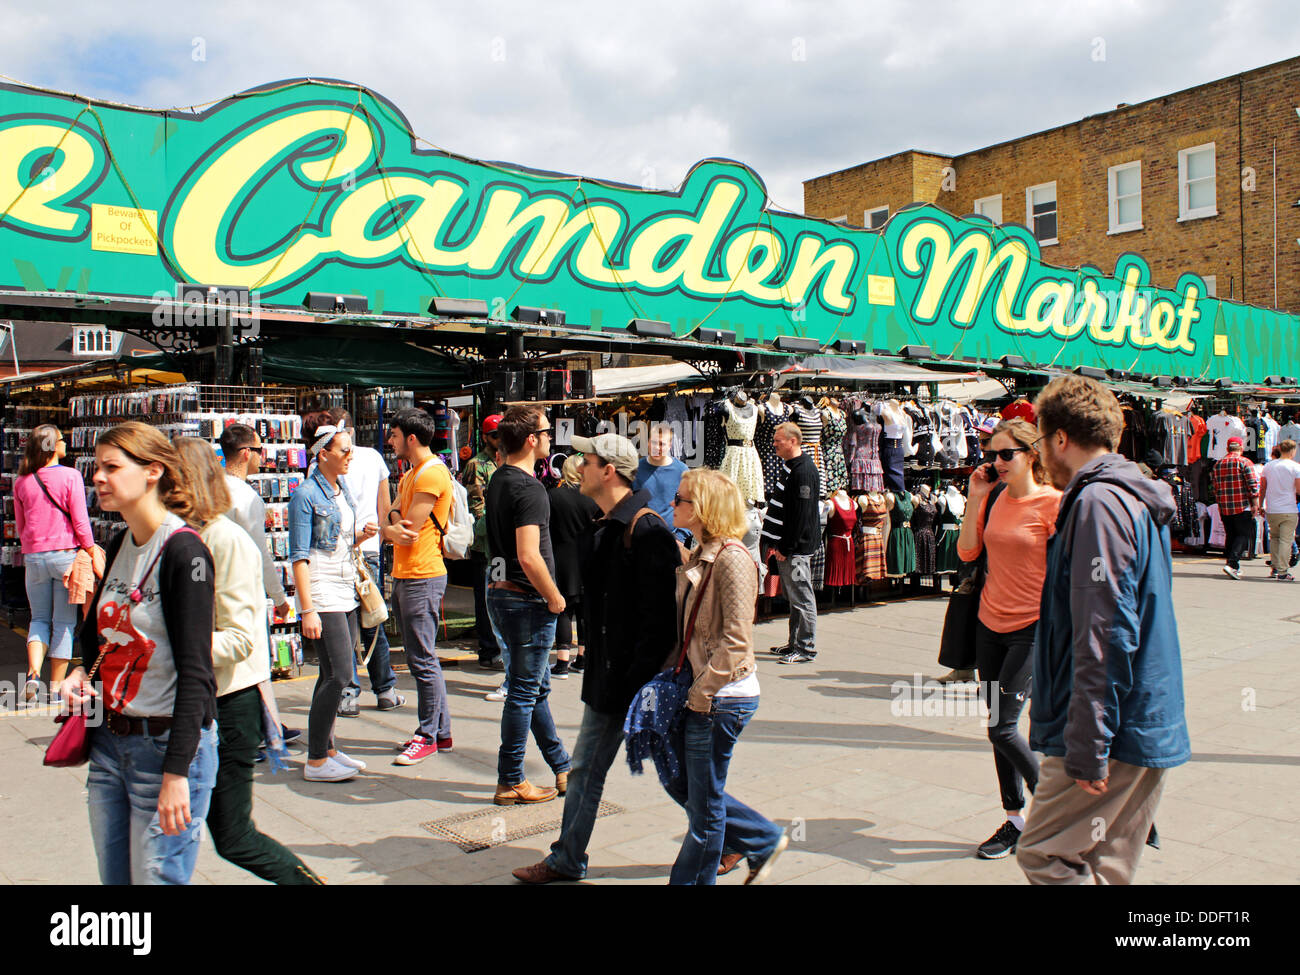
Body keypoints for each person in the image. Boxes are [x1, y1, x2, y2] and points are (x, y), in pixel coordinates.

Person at [1018, 376, 1190, 885]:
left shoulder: (1098, 503)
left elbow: (1105, 629)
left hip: (1112, 727)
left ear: (1061, 438)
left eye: (1041, 441)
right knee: (1105, 867)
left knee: (1046, 857)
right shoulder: (1133, 495)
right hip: (1142, 718)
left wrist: (1089, 743)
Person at [511, 433, 680, 883]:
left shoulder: (645, 529)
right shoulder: (604, 524)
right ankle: (568, 858)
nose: (578, 466)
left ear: (608, 470)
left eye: (586, 460)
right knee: (646, 772)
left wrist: (633, 683)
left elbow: (659, 623)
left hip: (632, 682)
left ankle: (744, 836)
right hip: (611, 678)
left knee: (676, 774)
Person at [60, 422, 218, 884]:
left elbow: (197, 673)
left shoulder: (184, 552)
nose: (98, 477)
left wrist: (176, 775)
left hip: (167, 748)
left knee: (155, 880)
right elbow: (95, 633)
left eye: (112, 467)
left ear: (153, 471)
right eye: (97, 467)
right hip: (110, 743)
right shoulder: (119, 543)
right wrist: (77, 671)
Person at [173, 438, 323, 885]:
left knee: (231, 833)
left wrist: (164, 649)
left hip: (228, 697)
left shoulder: (224, 536)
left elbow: (239, 631)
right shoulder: (171, 536)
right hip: (189, 702)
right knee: (173, 833)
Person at [664, 468, 786, 885]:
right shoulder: (701, 551)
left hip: (722, 696)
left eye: (681, 500)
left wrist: (702, 693)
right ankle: (761, 839)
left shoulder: (733, 558)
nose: (673, 505)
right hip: (704, 689)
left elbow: (736, 639)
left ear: (704, 509)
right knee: (687, 788)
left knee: (704, 806)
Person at [956, 419, 1061, 859]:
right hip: (989, 627)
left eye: (1006, 454)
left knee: (1001, 727)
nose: (996, 462)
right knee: (998, 728)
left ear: (1031, 455)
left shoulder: (1055, 504)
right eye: (991, 454)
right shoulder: (994, 496)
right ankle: (1016, 820)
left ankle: (1055, 815)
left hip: (1031, 630)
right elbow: (966, 552)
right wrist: (975, 498)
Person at [486, 405, 571, 805]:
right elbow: (528, 554)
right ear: (532, 440)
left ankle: (561, 766)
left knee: (533, 689)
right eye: (546, 430)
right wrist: (554, 597)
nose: (551, 436)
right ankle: (511, 778)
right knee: (524, 691)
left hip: (502, 592)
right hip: (526, 598)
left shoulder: (500, 479)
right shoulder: (529, 488)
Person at [288, 417, 371, 782]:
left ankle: (328, 749)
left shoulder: (341, 489)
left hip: (346, 586)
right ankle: (317, 760)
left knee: (334, 672)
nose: (350, 455)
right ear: (323, 455)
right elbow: (300, 556)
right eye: (343, 450)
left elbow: (336, 541)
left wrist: (361, 536)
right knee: (339, 674)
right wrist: (308, 608)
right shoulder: (306, 494)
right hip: (323, 591)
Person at [218, 422, 300, 754]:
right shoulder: (244, 496)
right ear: (246, 453)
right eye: (259, 450)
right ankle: (262, 732)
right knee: (254, 663)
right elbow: (259, 551)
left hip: (217, 589)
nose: (263, 458)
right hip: (243, 591)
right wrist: (279, 597)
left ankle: (267, 728)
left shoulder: (213, 489)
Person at [381, 407, 455, 765]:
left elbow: (406, 529)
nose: (390, 441)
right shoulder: (411, 474)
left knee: (422, 660)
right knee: (420, 658)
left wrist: (392, 525)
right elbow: (392, 517)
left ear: (411, 438)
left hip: (422, 574)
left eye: (394, 435)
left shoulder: (431, 473)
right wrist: (392, 524)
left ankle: (427, 733)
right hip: (408, 574)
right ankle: (440, 731)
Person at [319, 408, 404, 714]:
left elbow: (383, 504)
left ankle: (354, 691)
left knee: (355, 620)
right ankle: (382, 689)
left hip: (351, 549)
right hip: (361, 548)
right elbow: (384, 503)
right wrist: (381, 537)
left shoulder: (344, 459)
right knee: (369, 618)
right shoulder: (369, 457)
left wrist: (380, 535)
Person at [14, 424, 94, 701]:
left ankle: (33, 672)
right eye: (62, 439)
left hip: (34, 557)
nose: (66, 442)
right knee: (63, 623)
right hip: (65, 556)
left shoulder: (22, 481)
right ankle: (57, 689)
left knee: (38, 618)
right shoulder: (71, 476)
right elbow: (80, 520)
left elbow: (21, 525)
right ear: (52, 445)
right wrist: (92, 549)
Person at [760, 422, 821, 663]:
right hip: (787, 548)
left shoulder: (803, 471)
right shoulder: (791, 467)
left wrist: (787, 547)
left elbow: (802, 515)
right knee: (795, 598)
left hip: (795, 550)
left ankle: (806, 648)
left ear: (792, 441)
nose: (774, 444)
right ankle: (794, 643)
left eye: (778, 440)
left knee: (802, 597)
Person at [547, 454, 600, 679]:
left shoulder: (553, 496)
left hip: (562, 559)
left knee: (563, 611)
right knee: (584, 612)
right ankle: (583, 658)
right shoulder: (594, 497)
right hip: (587, 558)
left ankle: (561, 662)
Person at [463, 413, 504, 670]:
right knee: (486, 597)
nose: (499, 439)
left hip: (501, 544)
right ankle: (488, 649)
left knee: (499, 593)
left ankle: (497, 646)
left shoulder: (505, 460)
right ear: (486, 437)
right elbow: (475, 506)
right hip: (484, 544)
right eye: (495, 435)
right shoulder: (477, 465)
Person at [1209, 436, 1259, 580]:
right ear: (1241, 448)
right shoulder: (1244, 462)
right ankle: (1232, 563)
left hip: (1225, 506)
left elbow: (1215, 487)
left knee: (1231, 534)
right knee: (1243, 534)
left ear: (1227, 448)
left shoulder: (1218, 464)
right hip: (1242, 505)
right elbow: (1252, 485)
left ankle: (1232, 565)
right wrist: (1255, 503)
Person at [633, 422, 691, 544]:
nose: (656, 448)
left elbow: (693, 507)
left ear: (669, 445)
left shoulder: (682, 471)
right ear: (648, 441)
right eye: (653, 442)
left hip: (672, 539)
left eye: (661, 444)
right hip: (641, 538)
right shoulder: (635, 469)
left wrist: (680, 537)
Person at [1259, 438, 1300, 581]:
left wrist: (1260, 504)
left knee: (1274, 538)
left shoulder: (1269, 466)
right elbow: (1299, 489)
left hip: (1272, 508)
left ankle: (1275, 568)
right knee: (1286, 540)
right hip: (1288, 508)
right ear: (1292, 451)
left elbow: (1263, 488)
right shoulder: (1295, 467)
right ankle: (1283, 570)